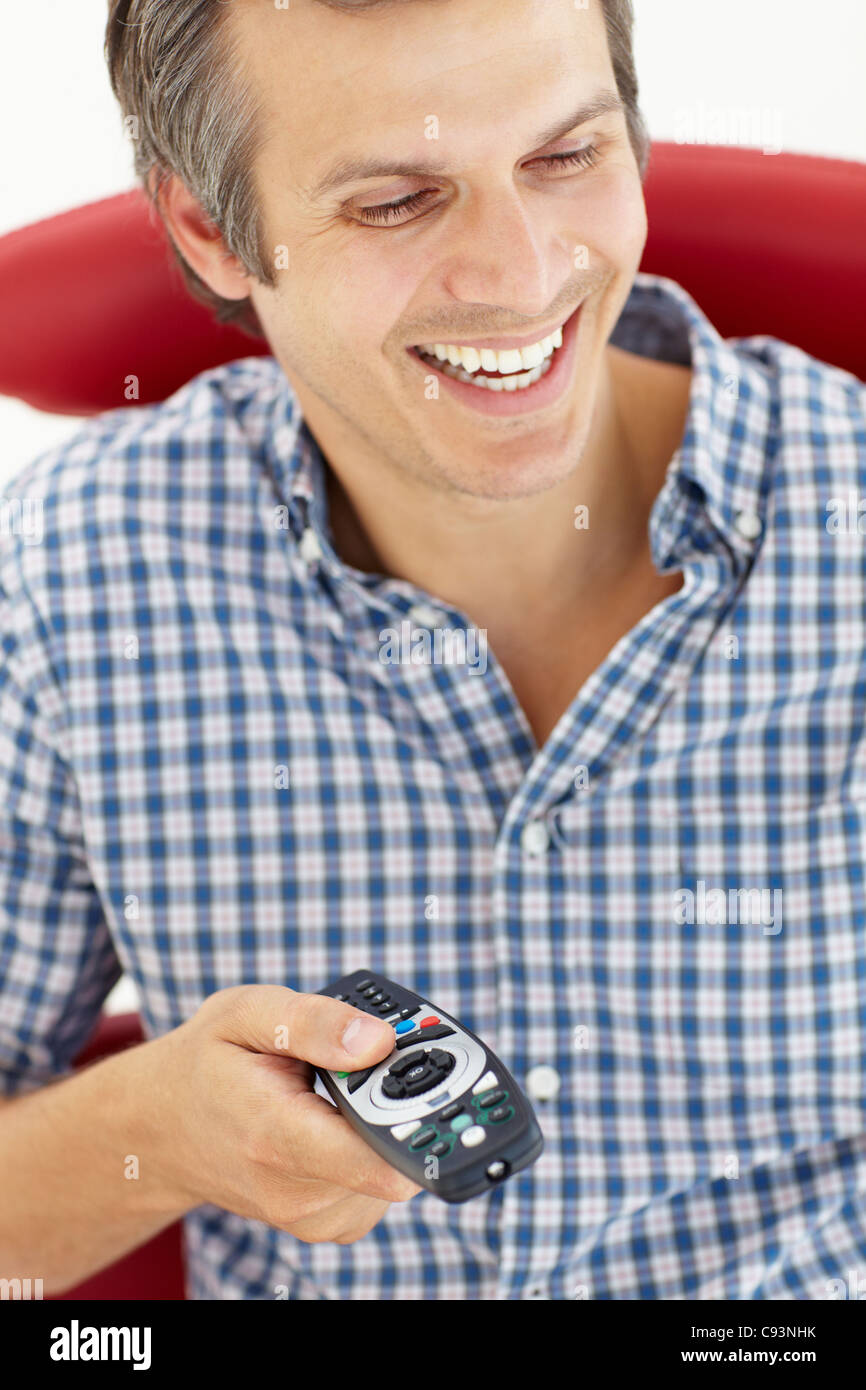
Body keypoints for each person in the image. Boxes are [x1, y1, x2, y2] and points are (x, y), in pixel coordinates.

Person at [1, 0, 864, 1301]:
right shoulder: (66, 570)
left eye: (563, 157)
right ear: (210, 228)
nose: (520, 274)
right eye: (397, 202)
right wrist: (153, 1133)